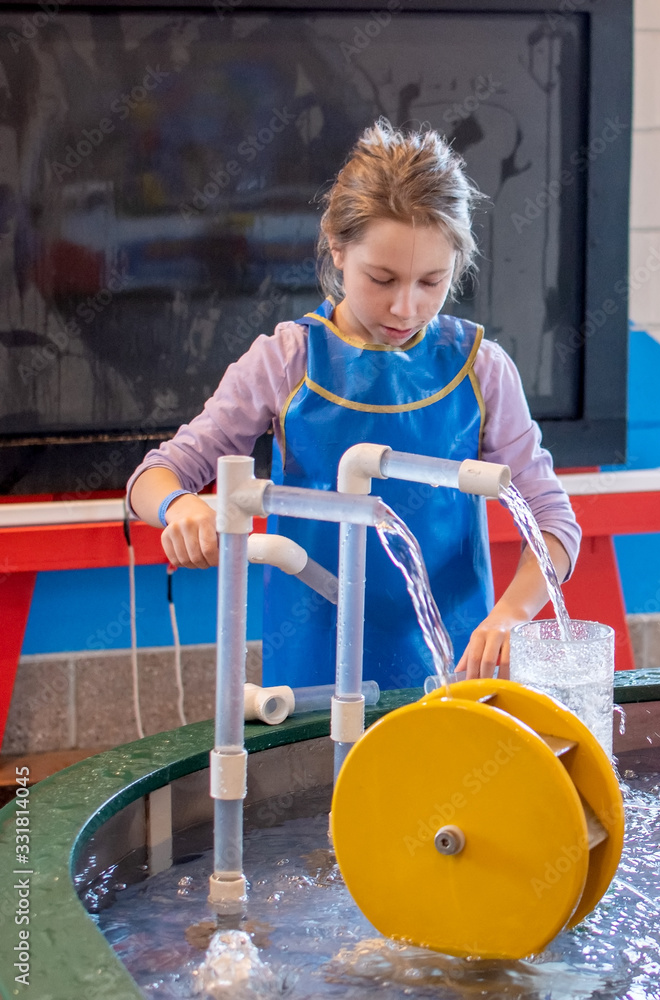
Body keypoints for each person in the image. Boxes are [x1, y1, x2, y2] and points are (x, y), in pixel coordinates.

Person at [127, 119, 581, 690]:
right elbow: (153, 477)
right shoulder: (287, 360)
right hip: (314, 664)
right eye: (382, 278)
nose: (405, 307)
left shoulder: (481, 368)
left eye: (431, 281)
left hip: (456, 666)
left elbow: (554, 523)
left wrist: (512, 615)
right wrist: (180, 508)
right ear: (337, 250)